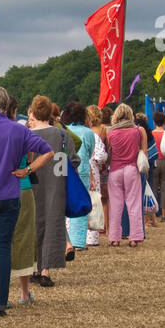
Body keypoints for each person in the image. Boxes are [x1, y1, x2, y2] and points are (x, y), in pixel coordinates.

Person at [0, 86, 53, 315]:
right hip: (10, 195)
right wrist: (27, 169)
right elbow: (48, 152)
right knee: (4, 247)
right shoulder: (19, 130)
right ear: (7, 105)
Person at [26, 95, 73, 286]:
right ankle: (46, 270)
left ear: (34, 112)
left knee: (35, 224)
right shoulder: (62, 135)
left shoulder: (27, 135)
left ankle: (35, 267)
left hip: (33, 183)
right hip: (57, 183)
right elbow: (73, 159)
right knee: (53, 225)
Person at [104, 103, 145, 246]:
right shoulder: (138, 131)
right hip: (132, 169)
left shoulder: (110, 132)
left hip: (115, 170)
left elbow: (108, 153)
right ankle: (135, 237)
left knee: (115, 205)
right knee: (133, 204)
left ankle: (114, 237)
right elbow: (143, 152)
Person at [62, 102, 96, 252]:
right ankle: (78, 241)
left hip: (63, 169)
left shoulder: (64, 130)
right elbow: (90, 152)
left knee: (60, 204)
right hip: (81, 169)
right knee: (80, 202)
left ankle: (62, 240)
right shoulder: (88, 133)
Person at [88, 105, 110, 245]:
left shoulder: (86, 133)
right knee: (101, 199)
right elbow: (104, 151)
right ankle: (104, 228)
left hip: (89, 168)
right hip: (100, 168)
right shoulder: (103, 131)